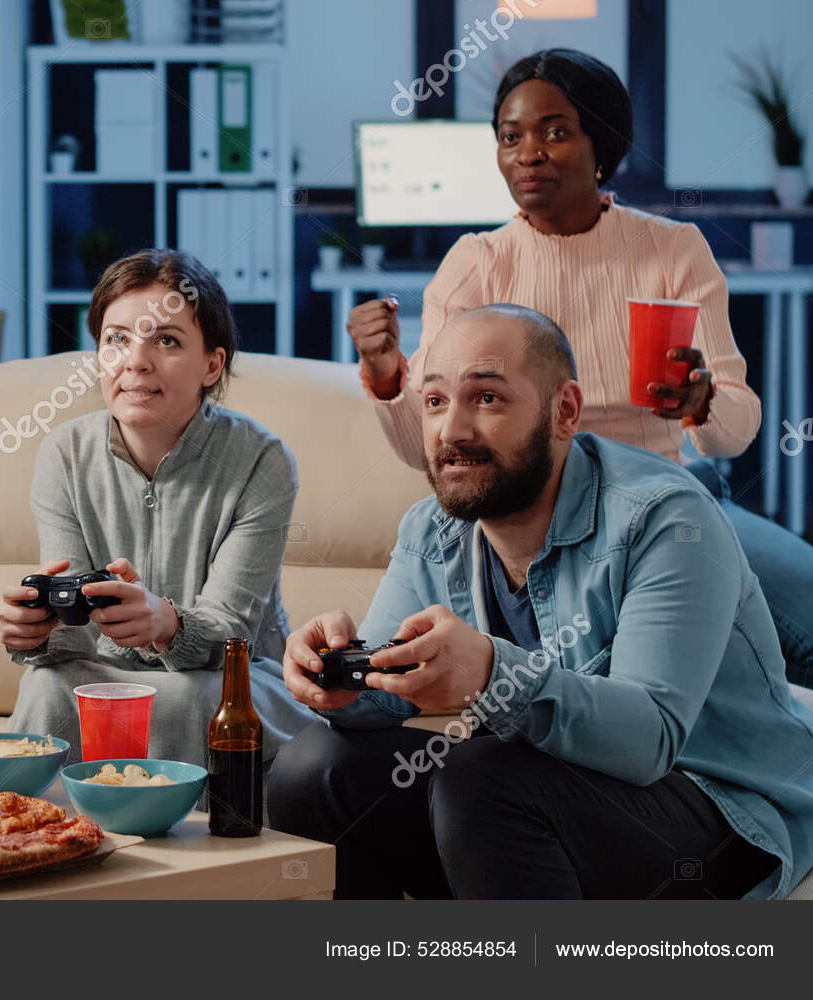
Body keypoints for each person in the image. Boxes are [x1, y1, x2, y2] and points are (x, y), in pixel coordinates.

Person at [270, 303, 813, 899]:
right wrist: (342, 680)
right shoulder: (432, 531)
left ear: (564, 411)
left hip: (719, 806)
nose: (451, 430)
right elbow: (386, 691)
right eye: (434, 401)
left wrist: (492, 672)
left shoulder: (664, 518)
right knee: (313, 770)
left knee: (480, 775)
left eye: (487, 398)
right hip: (528, 801)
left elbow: (651, 738)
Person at [347, 48, 813, 686]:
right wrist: (383, 375)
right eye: (510, 137)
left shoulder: (672, 250)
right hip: (534, 514)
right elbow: (421, 448)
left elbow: (733, 431)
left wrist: (701, 401)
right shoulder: (475, 263)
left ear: (604, 144)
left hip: (664, 501)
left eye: (555, 132)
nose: (528, 152)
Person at [0, 249, 315, 765]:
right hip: (105, 679)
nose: (135, 361)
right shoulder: (64, 453)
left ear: (213, 364)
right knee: (46, 685)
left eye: (165, 340)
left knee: (190, 697)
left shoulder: (262, 460)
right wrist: (33, 632)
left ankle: (179, 846)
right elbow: (73, 626)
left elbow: (233, 632)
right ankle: (33, 840)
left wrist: (165, 624)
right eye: (116, 339)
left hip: (231, 681)